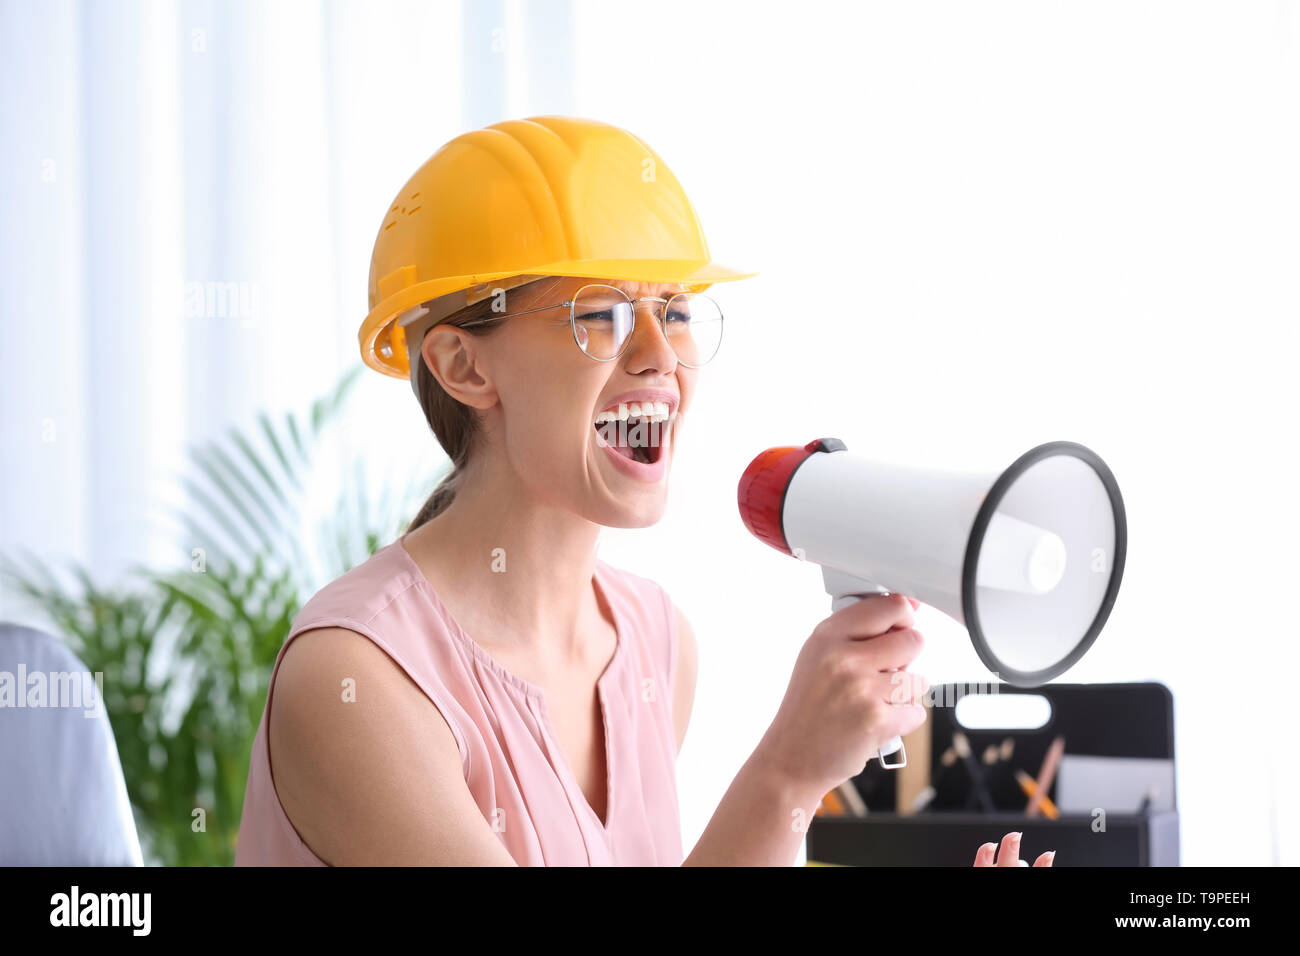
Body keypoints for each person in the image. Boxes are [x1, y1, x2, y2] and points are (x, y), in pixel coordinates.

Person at [234, 116, 1052, 867]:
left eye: (677, 310)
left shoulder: (654, 644)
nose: (663, 356)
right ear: (464, 366)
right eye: (602, 315)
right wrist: (788, 774)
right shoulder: (357, 680)